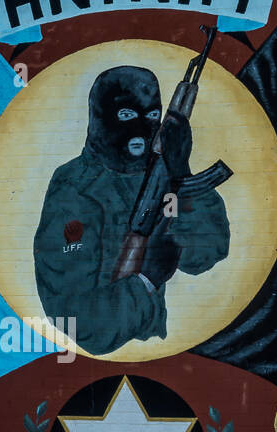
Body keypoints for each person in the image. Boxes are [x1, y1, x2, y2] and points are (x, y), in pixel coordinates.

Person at [33, 65, 230, 355]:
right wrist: (145, 281)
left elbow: (204, 254)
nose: (141, 130)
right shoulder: (74, 187)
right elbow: (76, 320)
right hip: (108, 346)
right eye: (127, 115)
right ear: (100, 117)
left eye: (152, 117)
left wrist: (180, 170)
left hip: (161, 350)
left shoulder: (161, 170)